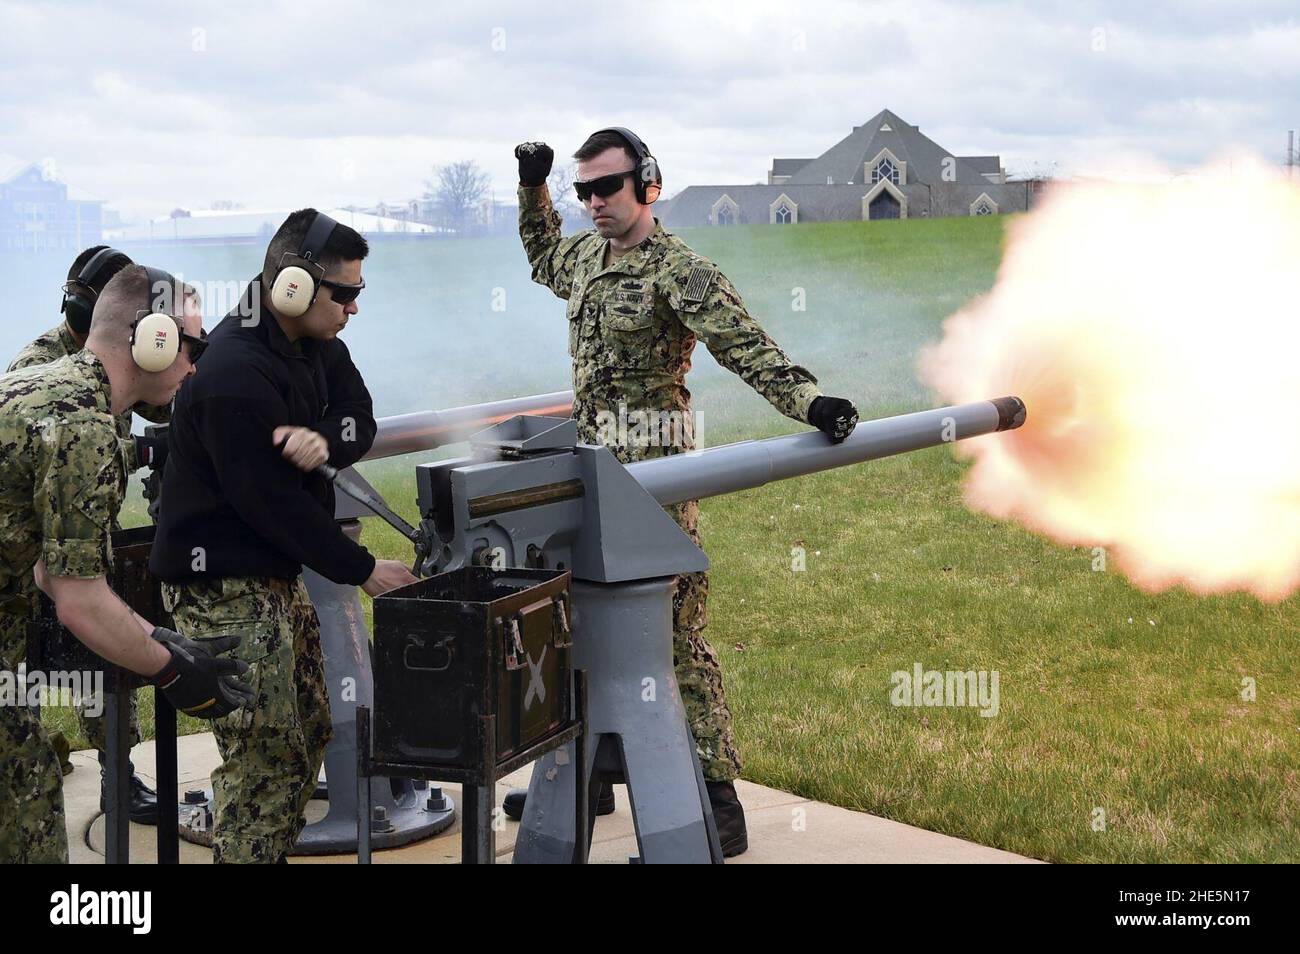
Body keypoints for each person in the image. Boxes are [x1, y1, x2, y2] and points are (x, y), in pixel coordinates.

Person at [508, 128, 860, 856]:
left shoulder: (680, 271)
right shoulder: (582, 255)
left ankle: (716, 801)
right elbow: (544, 255)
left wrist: (810, 403)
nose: (594, 203)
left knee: (672, 639)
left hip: (655, 485)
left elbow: (745, 346)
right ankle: (593, 775)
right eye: (583, 191)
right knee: (570, 620)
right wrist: (532, 189)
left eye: (606, 187)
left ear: (648, 184)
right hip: (588, 473)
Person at [149, 209, 417, 863]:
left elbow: (360, 418)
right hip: (221, 586)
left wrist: (320, 440)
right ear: (293, 285)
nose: (354, 308)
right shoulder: (235, 374)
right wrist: (361, 568)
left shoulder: (313, 342)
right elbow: (268, 501)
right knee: (264, 756)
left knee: (305, 737)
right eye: (346, 293)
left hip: (270, 576)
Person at [0, 265, 251, 863]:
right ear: (153, 339)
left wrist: (153, 635)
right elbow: (77, 597)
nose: (196, 364)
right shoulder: (83, 425)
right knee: (27, 812)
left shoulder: (55, 389)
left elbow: (42, 564)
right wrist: (172, 670)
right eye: (193, 346)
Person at [5, 245, 171, 821]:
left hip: (81, 525)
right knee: (80, 648)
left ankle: (111, 769)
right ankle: (105, 768)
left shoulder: (119, 356)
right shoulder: (42, 366)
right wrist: (141, 448)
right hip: (45, 539)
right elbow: (59, 447)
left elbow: (166, 402)